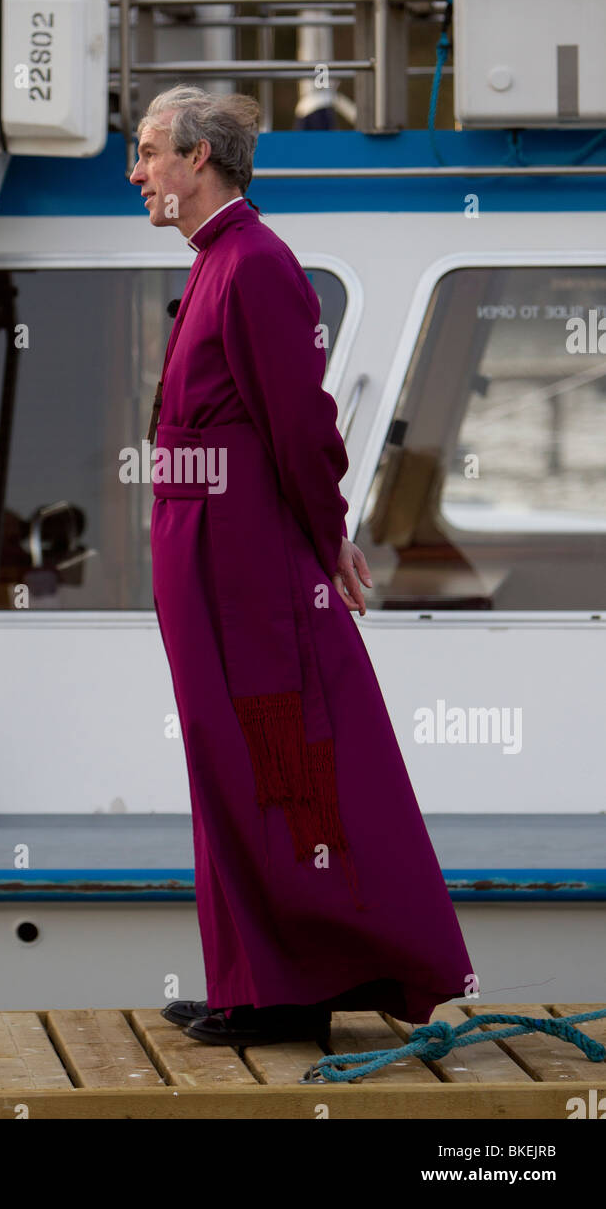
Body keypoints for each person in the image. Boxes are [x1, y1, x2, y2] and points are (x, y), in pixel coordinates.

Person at [130, 85, 475, 1047]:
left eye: (151, 151)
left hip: (245, 566)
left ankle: (288, 988)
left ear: (201, 157)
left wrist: (327, 538)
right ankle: (251, 978)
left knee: (274, 760)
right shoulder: (218, 264)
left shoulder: (255, 266)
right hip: (207, 559)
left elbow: (303, 429)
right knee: (224, 758)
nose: (138, 172)